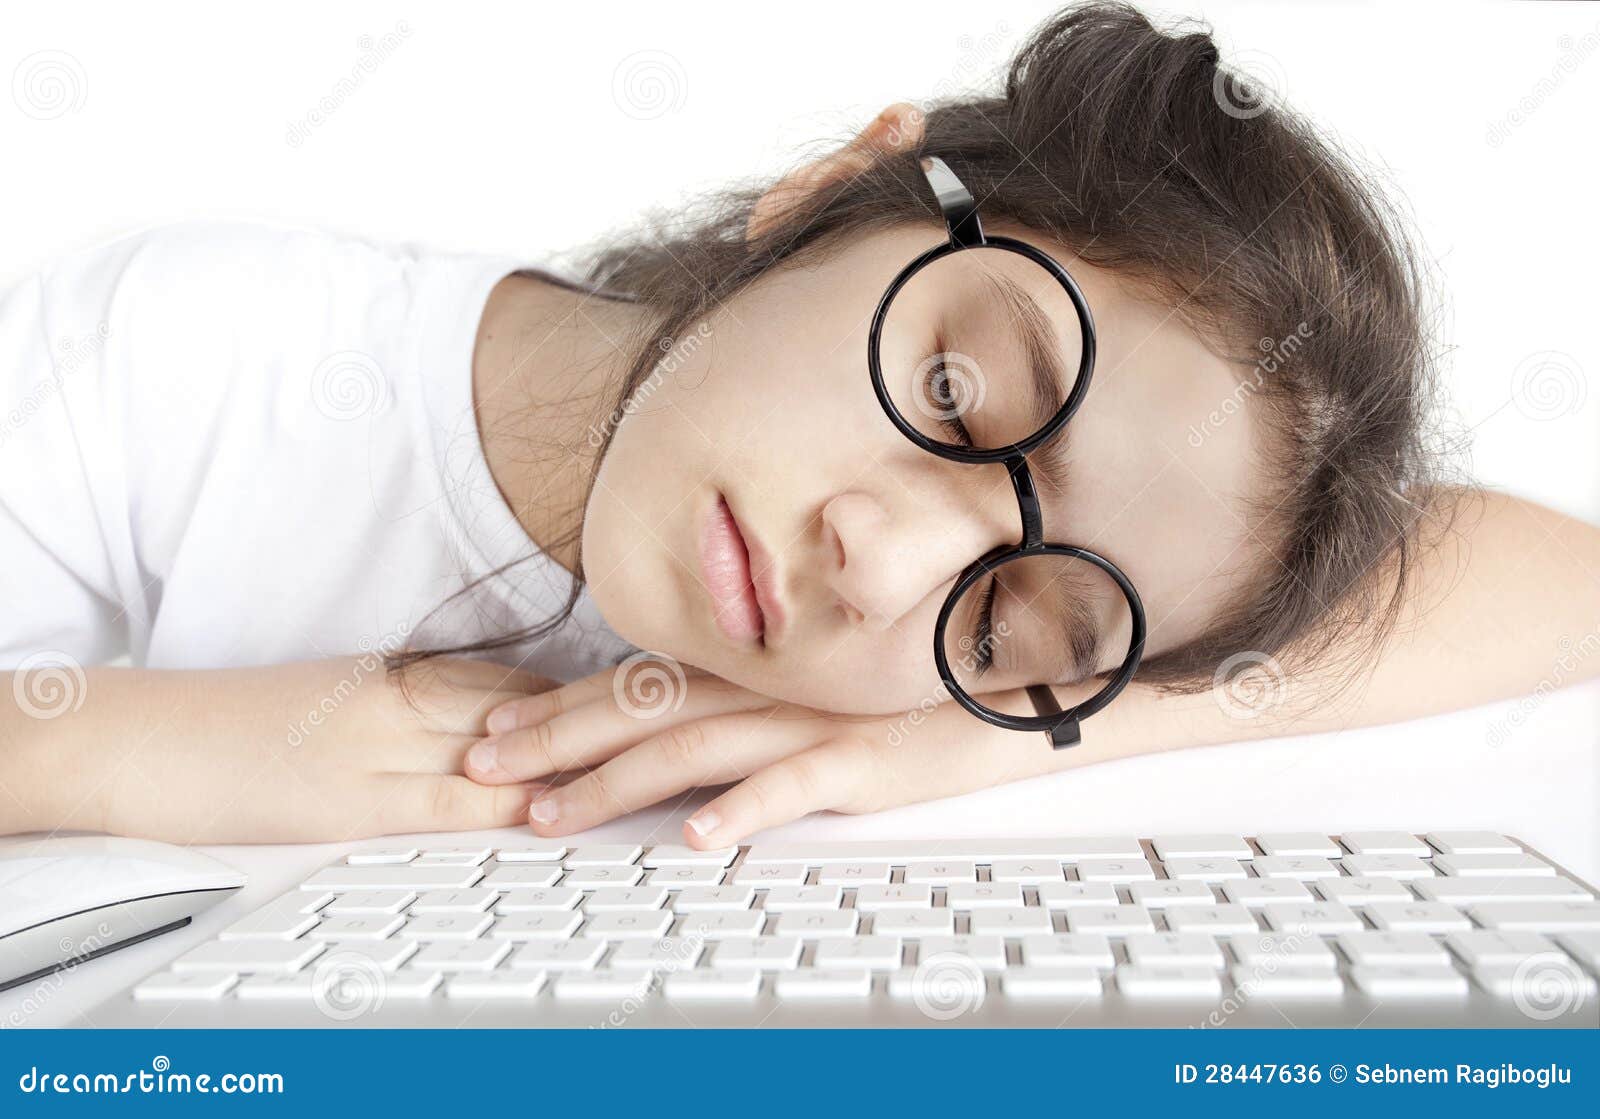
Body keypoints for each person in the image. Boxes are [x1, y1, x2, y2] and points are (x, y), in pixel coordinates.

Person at [2, 3, 1594, 846]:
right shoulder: (189, 351)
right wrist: (153, 745)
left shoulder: (933, 682)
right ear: (840, 190)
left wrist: (992, 726)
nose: (884, 566)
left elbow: (1554, 577)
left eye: (1013, 624)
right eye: (960, 394)